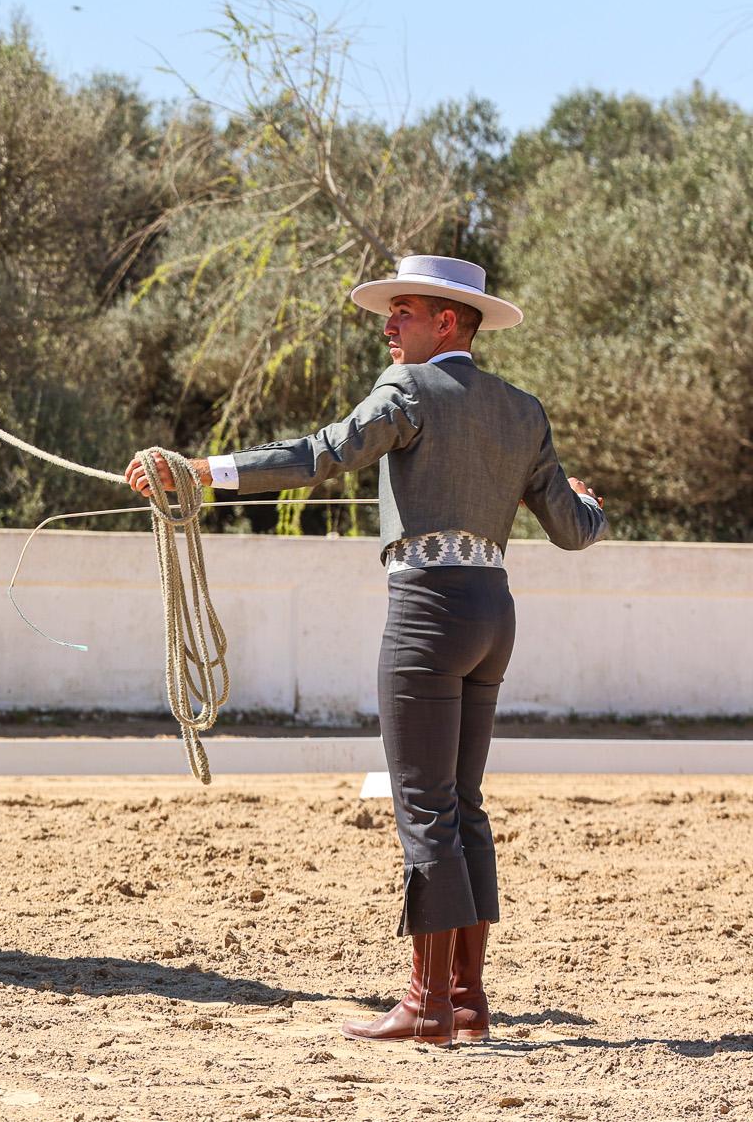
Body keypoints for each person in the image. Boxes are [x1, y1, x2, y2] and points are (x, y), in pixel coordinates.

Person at [126, 254, 605, 1045]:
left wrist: (203, 471)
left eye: (402, 311)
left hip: (427, 612)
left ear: (446, 321)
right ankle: (468, 999)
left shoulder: (408, 390)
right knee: (465, 803)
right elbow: (573, 530)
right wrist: (591, 503)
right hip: (493, 612)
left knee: (425, 806)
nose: (388, 325)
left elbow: (323, 453)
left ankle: (426, 1006)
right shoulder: (524, 411)